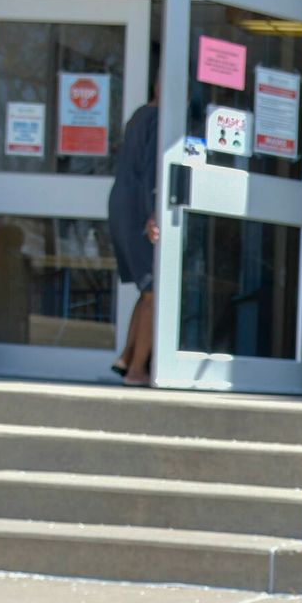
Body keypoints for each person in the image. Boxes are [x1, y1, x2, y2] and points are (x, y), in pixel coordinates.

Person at [108, 56, 162, 385]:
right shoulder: (158, 120)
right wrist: (155, 213)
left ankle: (128, 356)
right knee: (156, 292)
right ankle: (138, 369)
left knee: (147, 292)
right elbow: (152, 173)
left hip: (123, 211)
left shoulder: (138, 116)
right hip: (142, 214)